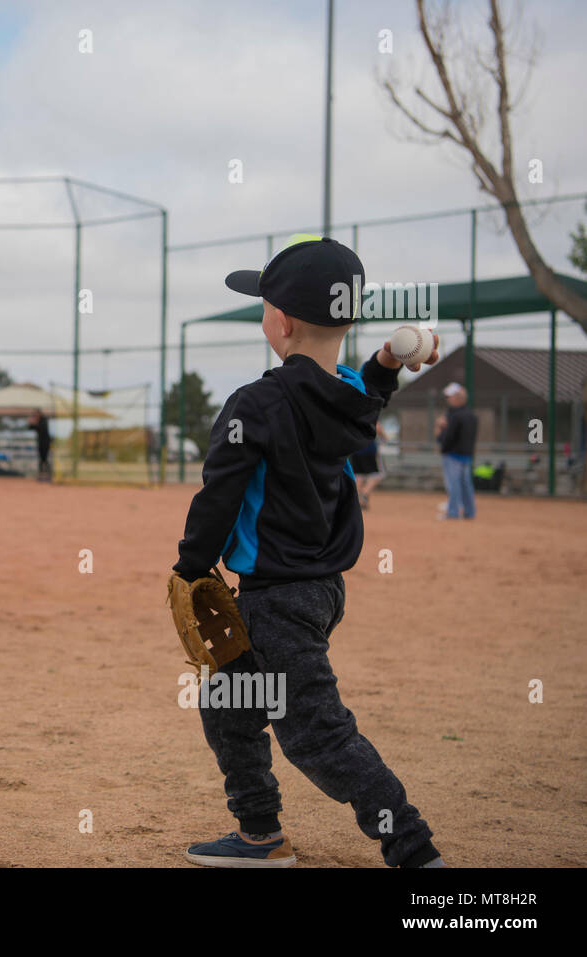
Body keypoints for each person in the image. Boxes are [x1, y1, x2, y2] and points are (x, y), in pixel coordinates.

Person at [172, 235, 444, 868]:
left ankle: (414, 850)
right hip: (319, 592)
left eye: (264, 303)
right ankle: (259, 834)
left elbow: (218, 499)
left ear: (282, 321)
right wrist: (387, 358)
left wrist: (189, 567)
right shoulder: (350, 395)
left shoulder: (255, 405)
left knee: (317, 734)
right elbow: (363, 393)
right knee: (230, 702)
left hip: (276, 599)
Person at [436, 382, 477, 520]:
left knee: (453, 485)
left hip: (453, 455)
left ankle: (453, 512)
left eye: (450, 397)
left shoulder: (454, 416)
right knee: (466, 485)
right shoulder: (471, 415)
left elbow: (448, 437)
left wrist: (441, 430)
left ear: (457, 398)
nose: (448, 399)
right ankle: (469, 512)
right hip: (466, 455)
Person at [350, 420, 388, 509]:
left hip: (355, 450)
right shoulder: (369, 411)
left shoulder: (353, 414)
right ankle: (364, 494)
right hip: (369, 451)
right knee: (378, 475)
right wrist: (384, 437)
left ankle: (359, 502)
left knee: (359, 476)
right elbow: (378, 427)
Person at [27, 408, 51, 481]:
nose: (35, 416)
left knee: (45, 459)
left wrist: (35, 423)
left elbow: (42, 428)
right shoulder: (39, 421)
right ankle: (41, 475)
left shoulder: (44, 420)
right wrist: (31, 422)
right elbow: (30, 428)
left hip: (46, 442)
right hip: (40, 442)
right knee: (41, 459)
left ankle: (47, 475)